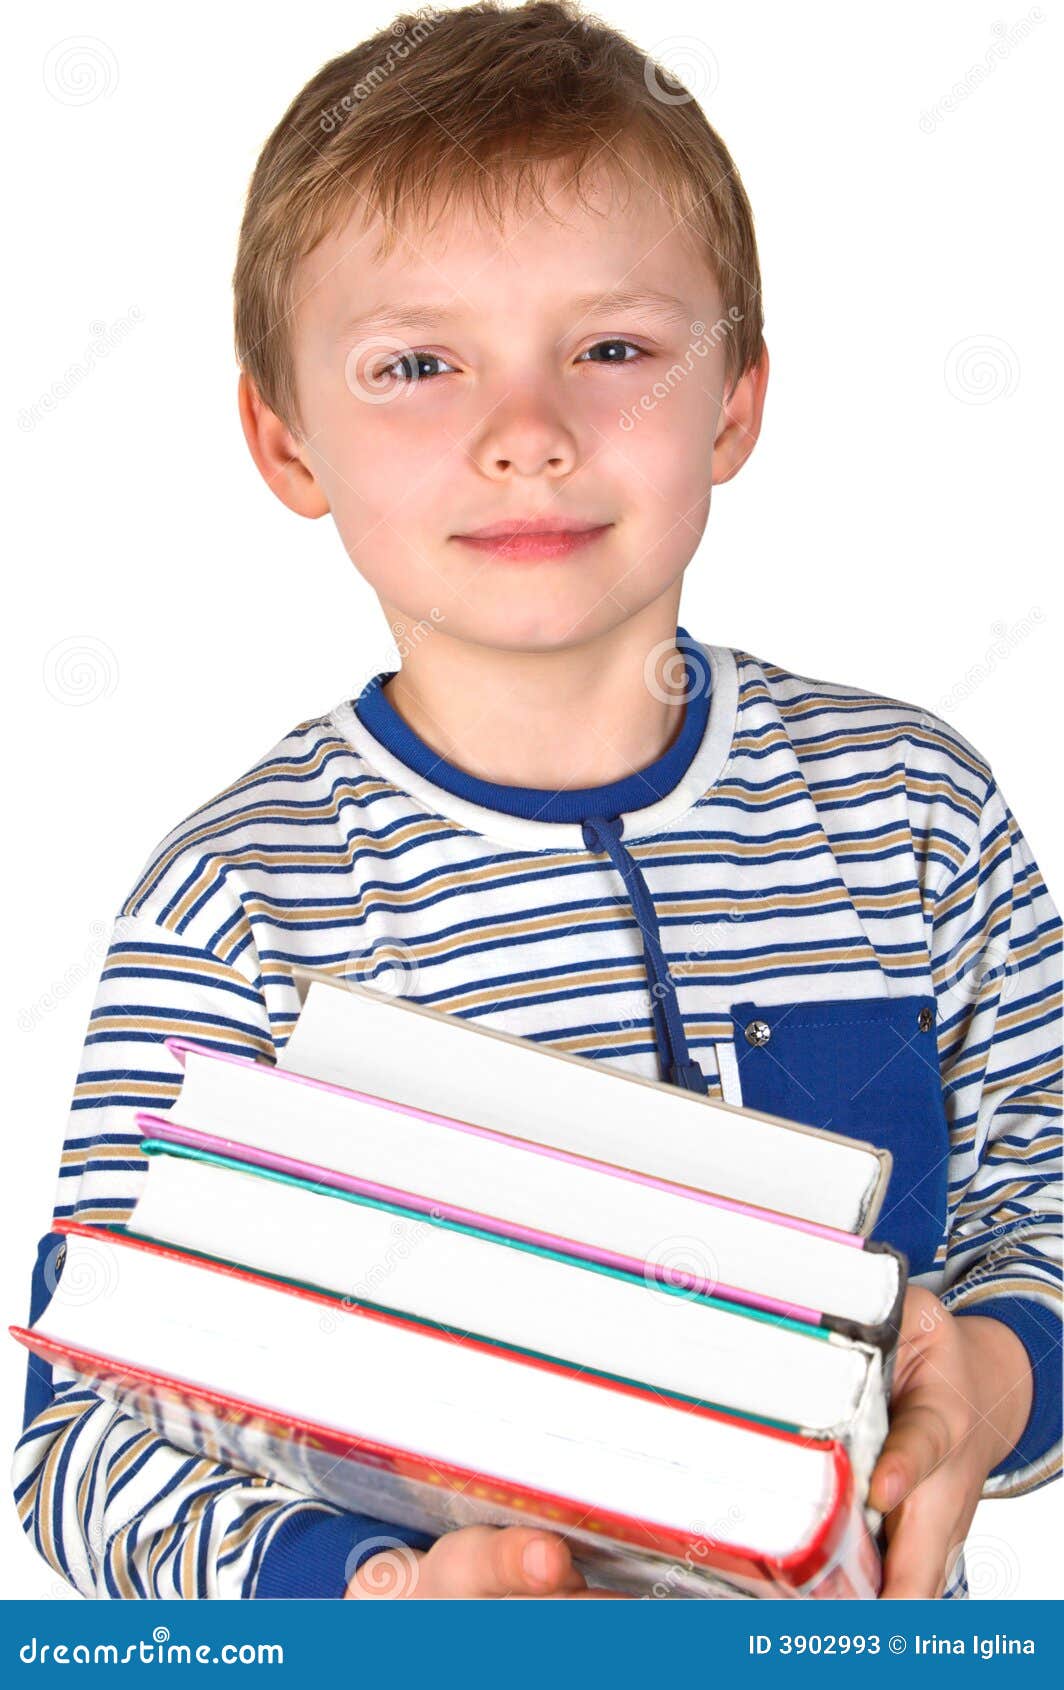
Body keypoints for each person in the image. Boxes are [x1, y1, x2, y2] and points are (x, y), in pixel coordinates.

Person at [14, 0, 1060, 1601]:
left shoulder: (913, 809)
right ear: (285, 441)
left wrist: (990, 1379)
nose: (526, 434)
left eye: (614, 349)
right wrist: (377, 1593)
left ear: (735, 401)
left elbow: (1045, 1206)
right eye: (417, 364)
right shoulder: (238, 899)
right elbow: (87, 1426)